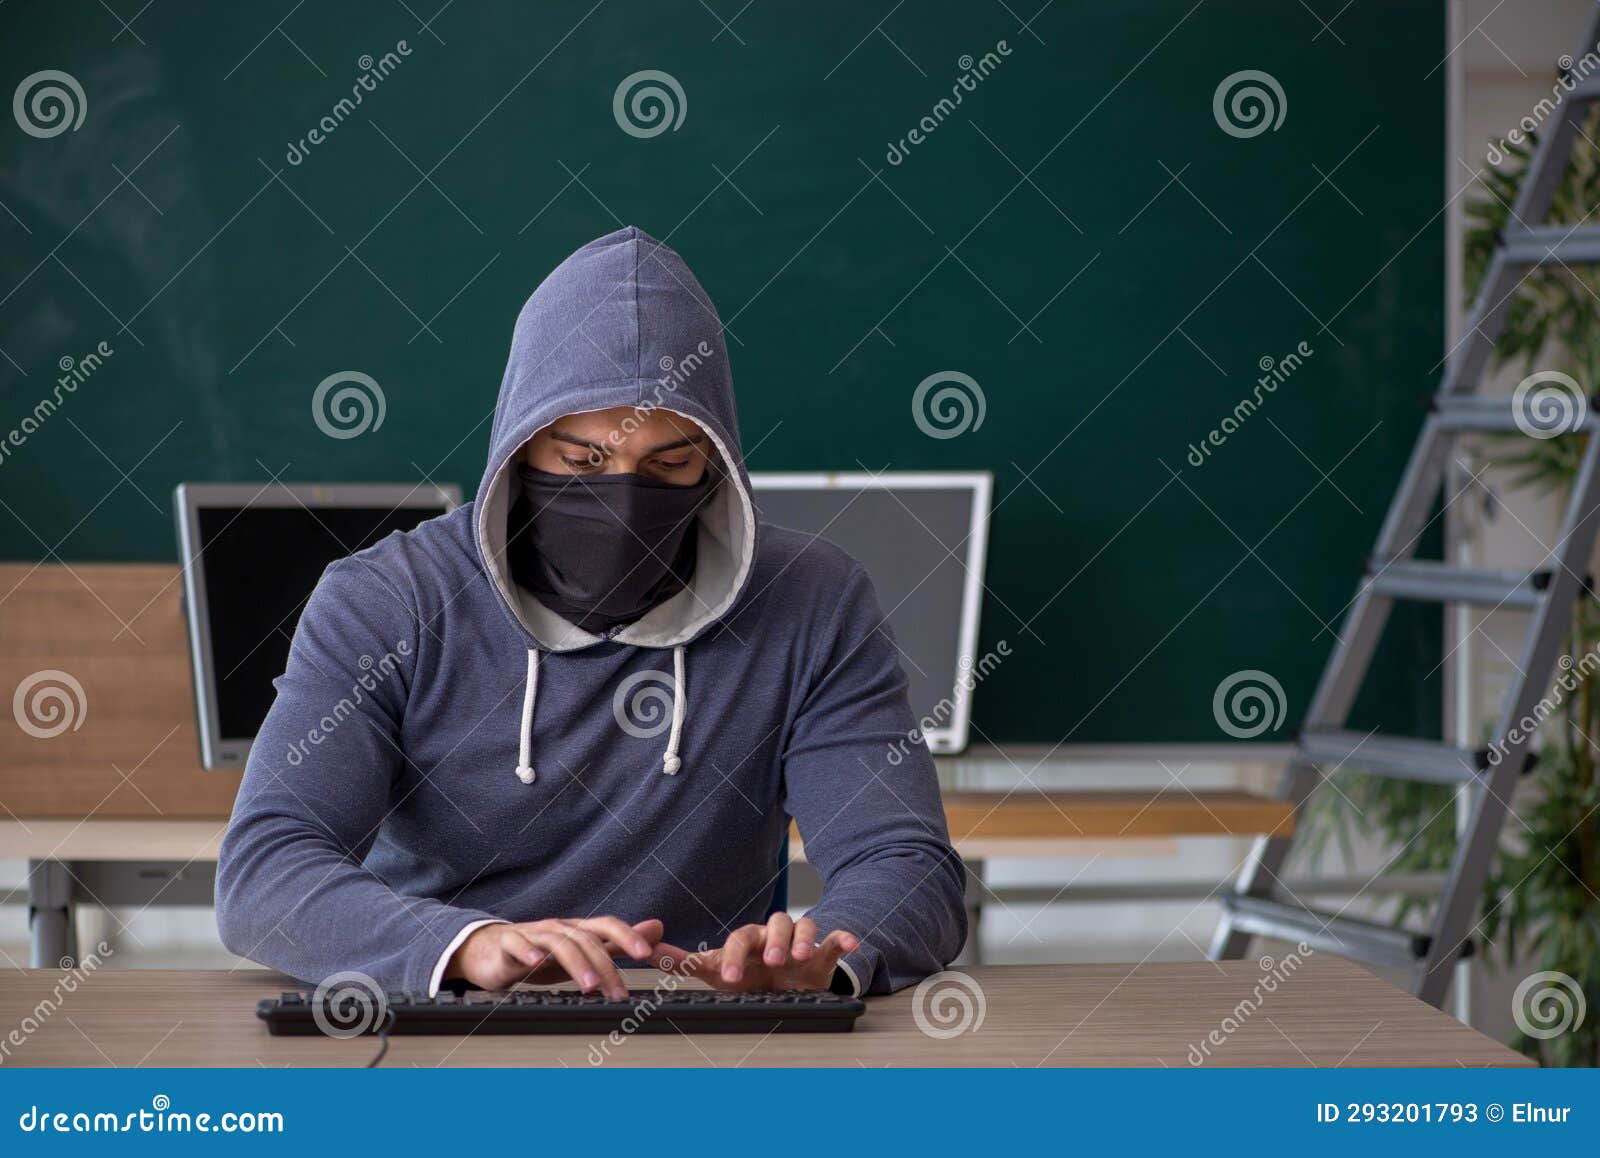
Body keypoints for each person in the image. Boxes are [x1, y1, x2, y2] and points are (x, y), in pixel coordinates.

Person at [215, 226, 967, 1000]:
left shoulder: (814, 602)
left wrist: (833, 953)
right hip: (447, 1027)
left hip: (704, 1038)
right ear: (520, 446)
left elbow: (907, 867)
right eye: (582, 463)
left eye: (670, 462)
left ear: (715, 461)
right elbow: (267, 870)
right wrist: (467, 944)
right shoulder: (387, 601)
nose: (622, 500)